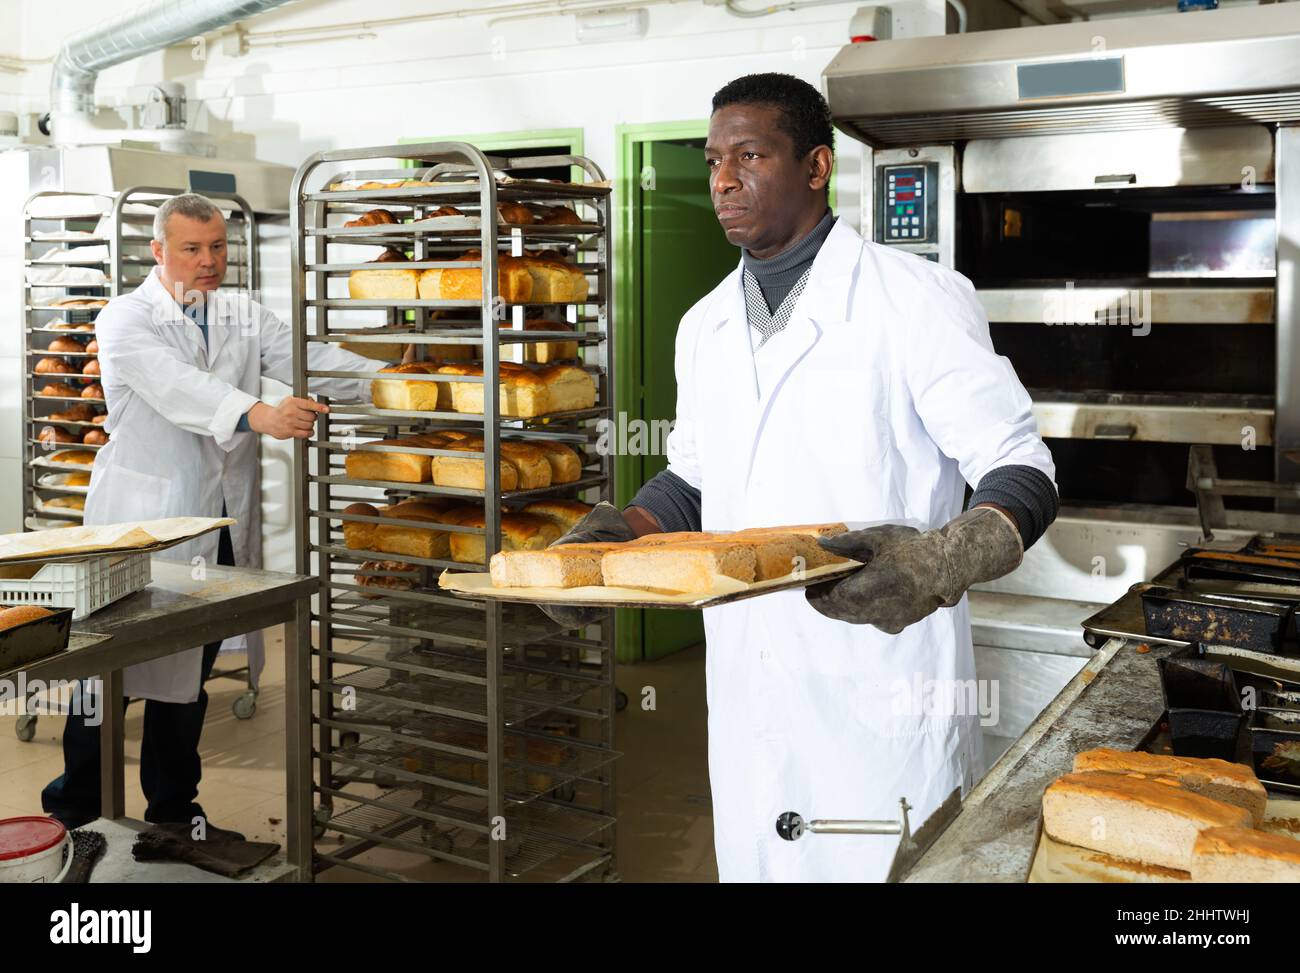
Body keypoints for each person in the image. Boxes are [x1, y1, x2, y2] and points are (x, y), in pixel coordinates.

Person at [550, 74, 1059, 881]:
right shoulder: (703, 325)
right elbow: (695, 478)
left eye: (749, 155)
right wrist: (623, 531)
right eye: (714, 160)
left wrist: (942, 559)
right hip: (752, 690)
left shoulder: (913, 300)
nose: (722, 180)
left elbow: (1020, 465)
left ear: (816, 166)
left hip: (880, 690)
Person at [42, 193, 381, 830]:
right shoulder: (125, 317)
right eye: (192, 249)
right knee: (105, 674)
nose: (208, 262)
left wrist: (400, 375)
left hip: (219, 521)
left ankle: (175, 814)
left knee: (189, 670)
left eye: (217, 247)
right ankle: (72, 814)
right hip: (145, 524)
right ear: (159, 250)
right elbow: (177, 386)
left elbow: (311, 358)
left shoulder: (240, 314)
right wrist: (258, 413)